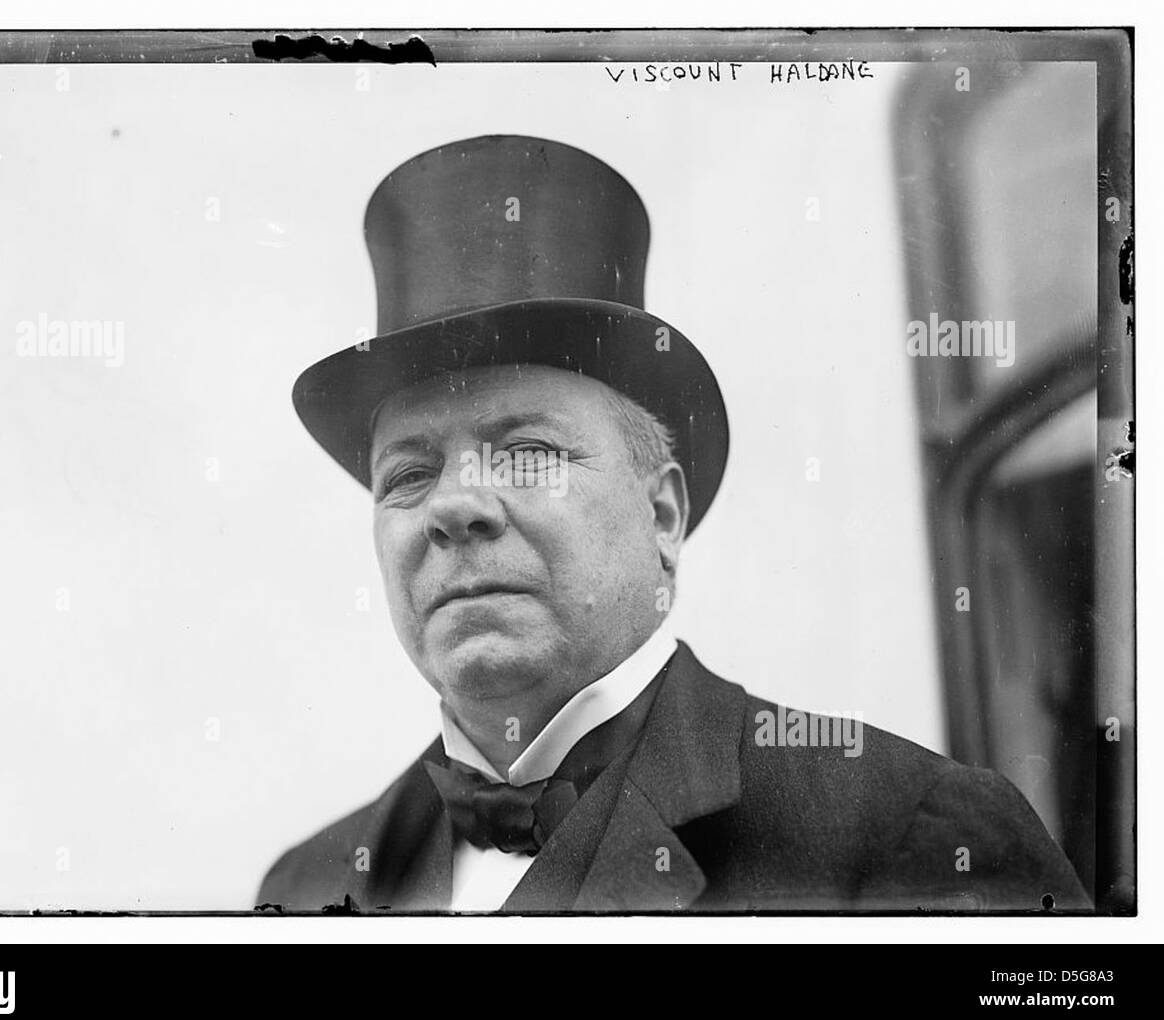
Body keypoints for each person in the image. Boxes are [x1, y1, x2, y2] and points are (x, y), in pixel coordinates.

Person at [257, 135, 1090, 913]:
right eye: (408, 474)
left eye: (527, 453)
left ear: (661, 514)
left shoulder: (909, 835)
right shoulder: (306, 886)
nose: (453, 506)